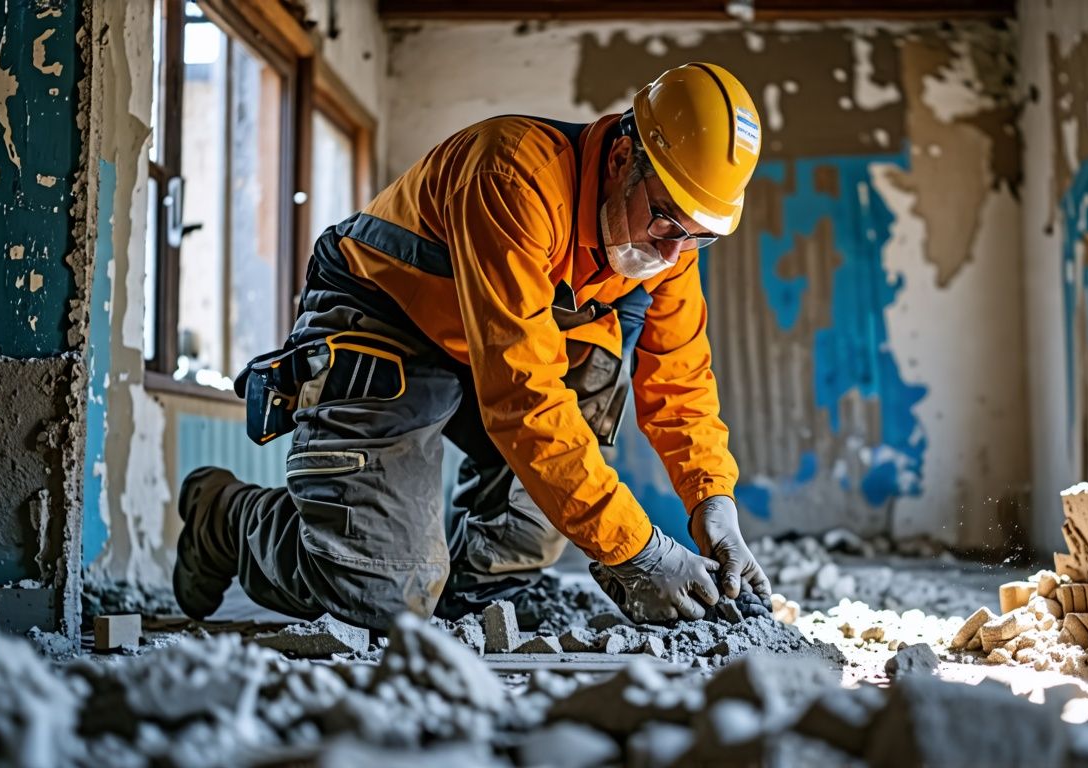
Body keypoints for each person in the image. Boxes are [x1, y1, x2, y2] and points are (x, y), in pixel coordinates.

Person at [173, 62, 772, 631]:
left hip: (493, 354)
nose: (673, 253)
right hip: (387, 321)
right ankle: (223, 516)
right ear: (621, 156)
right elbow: (524, 395)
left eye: (699, 237)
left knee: (508, 556)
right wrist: (636, 551)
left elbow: (680, 381)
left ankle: (456, 604)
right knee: (381, 594)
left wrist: (712, 502)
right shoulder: (513, 174)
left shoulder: (670, 249)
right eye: (668, 220)